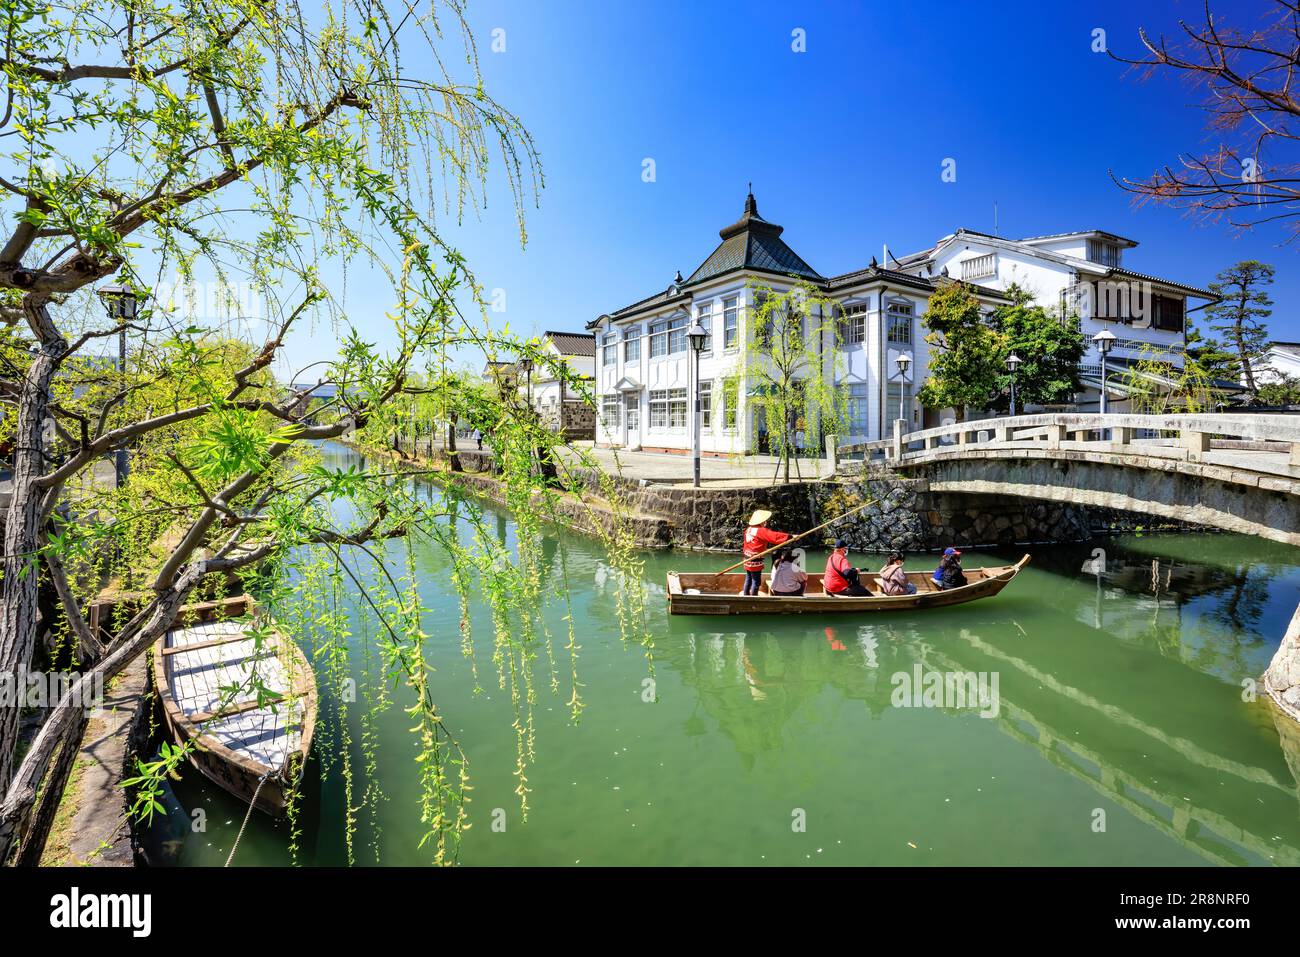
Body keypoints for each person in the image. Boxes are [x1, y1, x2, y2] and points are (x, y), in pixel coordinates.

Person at [742, 509, 790, 596]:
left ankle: (746, 595)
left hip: (747, 558)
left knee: (748, 578)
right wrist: (789, 536)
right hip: (755, 559)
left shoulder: (748, 529)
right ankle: (753, 599)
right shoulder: (760, 530)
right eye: (765, 520)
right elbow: (774, 536)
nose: (766, 522)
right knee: (756, 581)